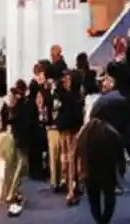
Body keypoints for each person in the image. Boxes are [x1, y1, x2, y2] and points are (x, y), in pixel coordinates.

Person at [78, 118, 125, 224]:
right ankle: (104, 220)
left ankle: (99, 221)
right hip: (107, 172)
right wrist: (121, 171)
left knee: (94, 200)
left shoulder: (84, 134)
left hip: (90, 172)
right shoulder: (112, 133)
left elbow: (77, 152)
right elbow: (120, 153)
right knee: (109, 198)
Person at [55, 71, 85, 205]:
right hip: (71, 130)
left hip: (70, 131)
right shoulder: (78, 97)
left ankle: (71, 189)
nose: (65, 81)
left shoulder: (68, 97)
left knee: (70, 160)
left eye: (68, 79)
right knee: (69, 159)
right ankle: (72, 185)